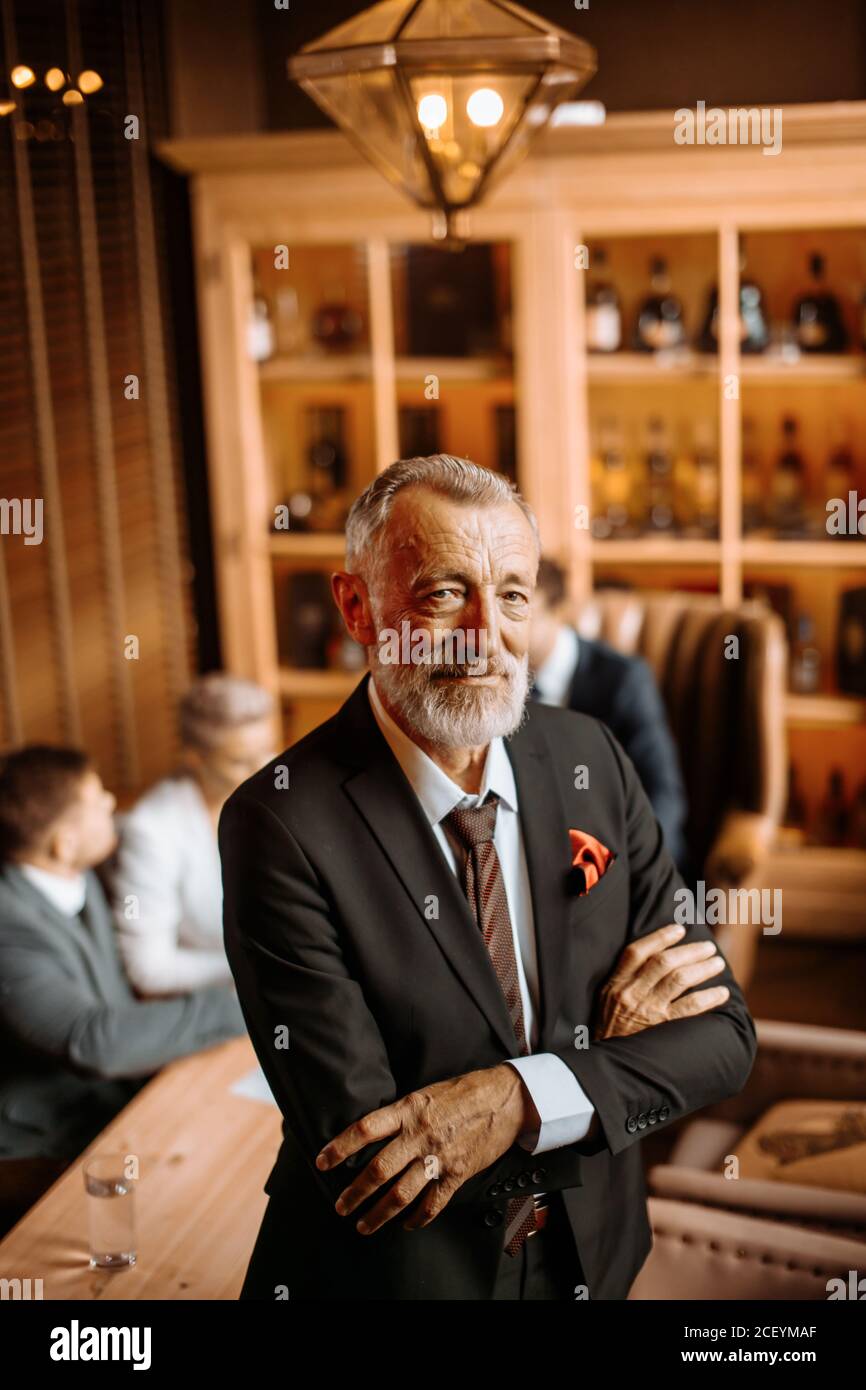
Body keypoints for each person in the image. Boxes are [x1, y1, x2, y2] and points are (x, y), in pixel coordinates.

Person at [220, 454, 756, 1302]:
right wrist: (602, 1060)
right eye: (443, 593)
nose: (487, 634)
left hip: (594, 1256)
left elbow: (722, 1039)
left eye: (511, 594)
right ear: (357, 606)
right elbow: (374, 1159)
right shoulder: (279, 822)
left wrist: (515, 1096)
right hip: (401, 1282)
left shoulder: (590, 756)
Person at [0, 746, 246, 1229]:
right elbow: (94, 1041)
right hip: (34, 1142)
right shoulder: (9, 924)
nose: (112, 803)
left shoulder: (75, 876)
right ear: (62, 844)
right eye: (96, 800)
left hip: (105, 1108)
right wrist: (246, 1004)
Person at [111, 675, 275, 996]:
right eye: (240, 761)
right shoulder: (153, 830)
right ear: (195, 759)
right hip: (231, 1006)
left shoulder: (285, 788)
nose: (266, 769)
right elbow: (149, 968)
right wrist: (264, 964)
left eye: (268, 749)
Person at [528, 557, 689, 875]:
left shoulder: (624, 681)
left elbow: (664, 795)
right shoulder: (497, 683)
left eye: (520, 612)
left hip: (625, 863)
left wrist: (617, 874)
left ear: (559, 612)